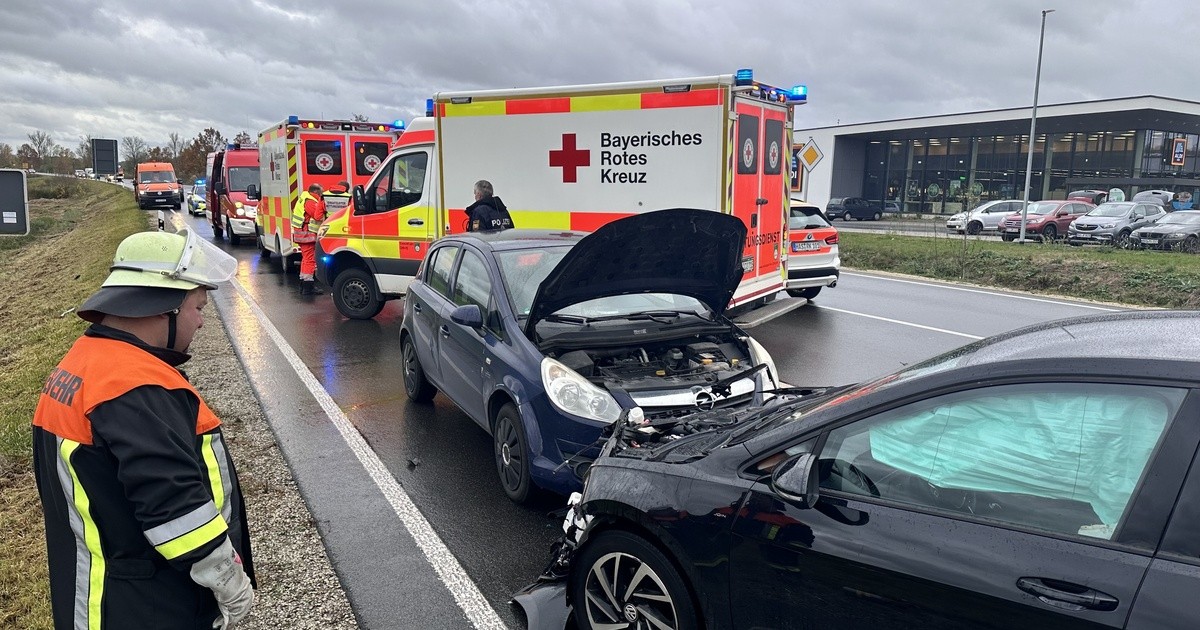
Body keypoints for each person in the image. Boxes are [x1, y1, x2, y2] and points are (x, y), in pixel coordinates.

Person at [33, 229, 255, 630]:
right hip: (147, 606)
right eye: (197, 307)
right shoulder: (136, 389)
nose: (201, 322)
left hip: (98, 594)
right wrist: (228, 581)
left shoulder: (84, 363)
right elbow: (175, 506)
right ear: (163, 307)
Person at [291, 182, 327, 295]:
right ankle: (308, 286)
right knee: (310, 259)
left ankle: (304, 283)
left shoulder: (305, 198)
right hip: (306, 234)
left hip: (303, 234)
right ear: (315, 192)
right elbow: (317, 216)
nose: (322, 194)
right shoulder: (311, 201)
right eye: (321, 192)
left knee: (306, 259)